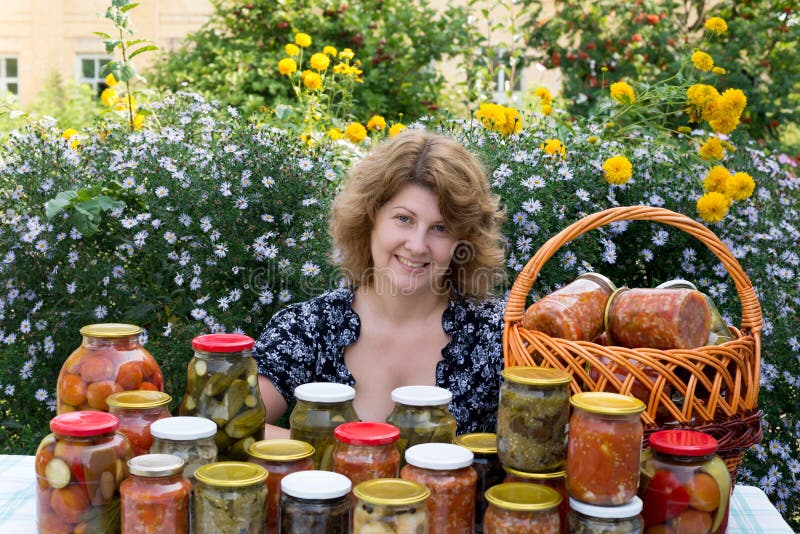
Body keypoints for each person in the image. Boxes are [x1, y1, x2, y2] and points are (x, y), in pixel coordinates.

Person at [253, 129, 507, 438]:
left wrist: (585, 283)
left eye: (440, 228)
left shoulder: (496, 334)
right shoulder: (309, 327)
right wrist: (330, 450)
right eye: (404, 219)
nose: (417, 245)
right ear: (369, 218)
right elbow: (236, 427)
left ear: (463, 241)